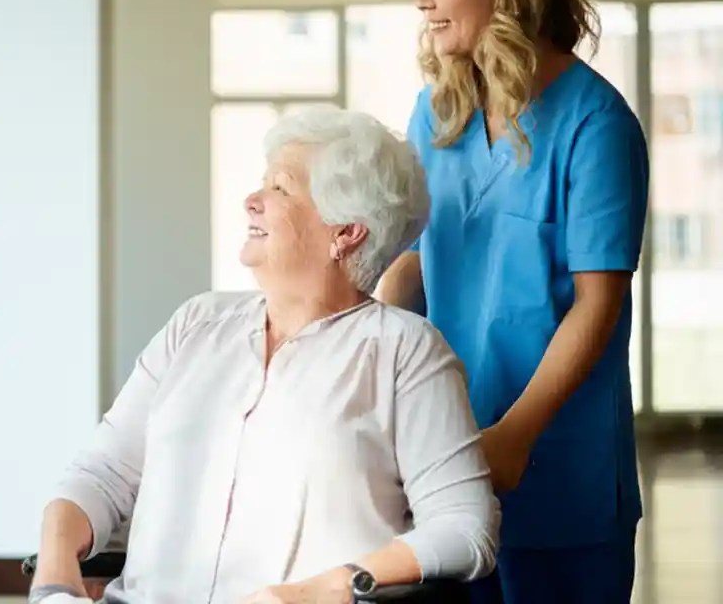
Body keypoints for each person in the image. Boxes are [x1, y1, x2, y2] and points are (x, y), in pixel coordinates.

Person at [30, 106, 498, 604]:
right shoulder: (196, 324)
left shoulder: (405, 352)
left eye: (280, 188)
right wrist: (55, 579)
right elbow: (103, 473)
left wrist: (324, 589)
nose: (252, 201)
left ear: (346, 231)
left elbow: (465, 526)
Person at [375, 0, 650, 603]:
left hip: (558, 464)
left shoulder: (595, 124)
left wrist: (515, 436)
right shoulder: (438, 113)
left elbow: (598, 304)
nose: (422, 1)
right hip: (444, 458)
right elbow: (415, 261)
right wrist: (368, 348)